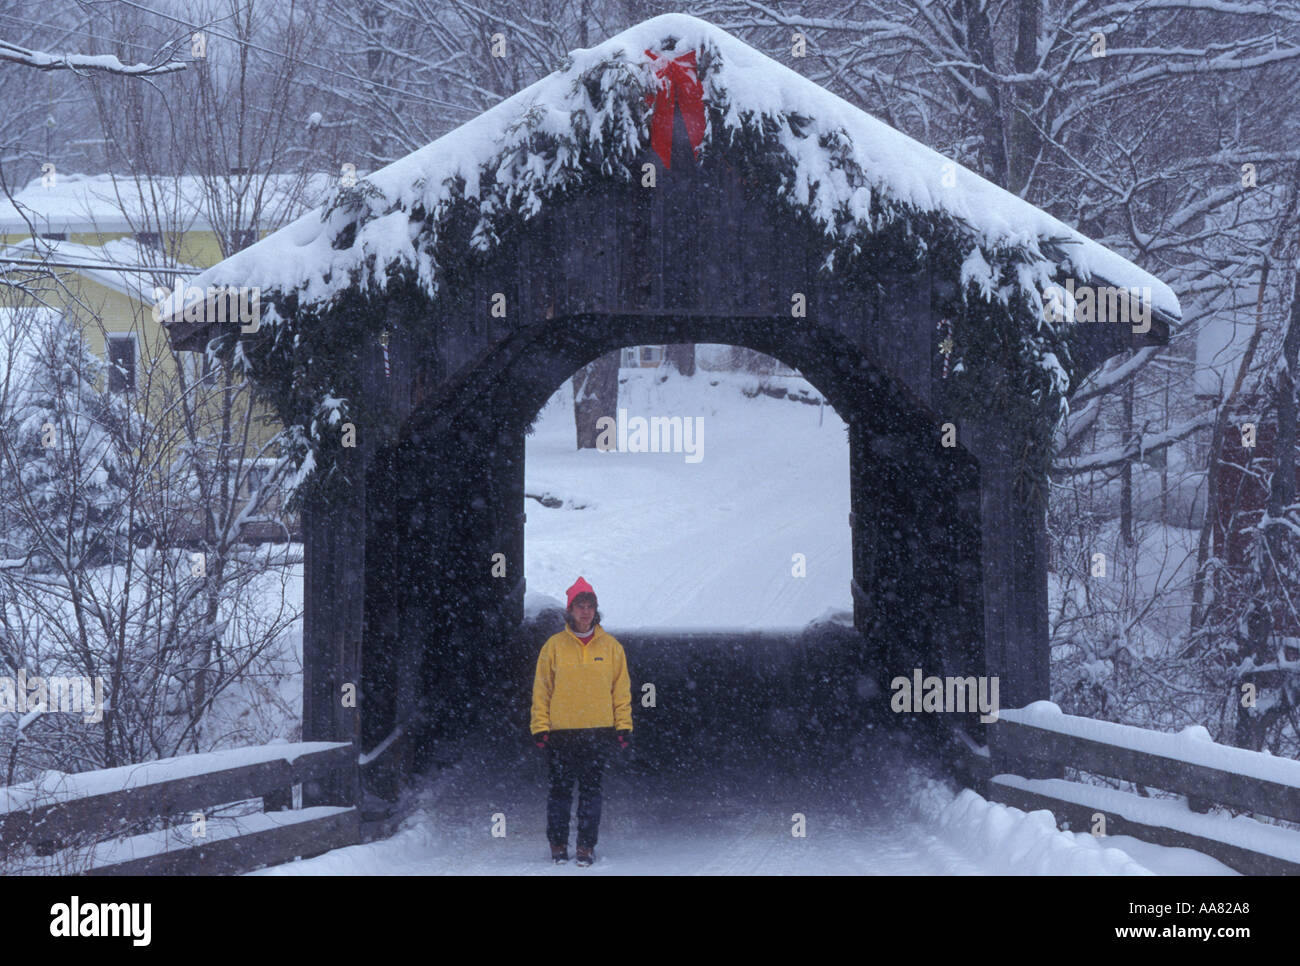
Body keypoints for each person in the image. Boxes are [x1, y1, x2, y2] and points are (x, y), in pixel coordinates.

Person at [531, 576, 633, 866]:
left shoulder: (612, 648)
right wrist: (540, 726)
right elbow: (541, 689)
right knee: (560, 793)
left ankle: (586, 847)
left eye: (590, 606)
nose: (585, 612)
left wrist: (623, 725)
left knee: (591, 793)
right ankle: (558, 845)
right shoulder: (553, 647)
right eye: (580, 606)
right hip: (562, 734)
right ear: (570, 611)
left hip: (598, 732)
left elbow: (621, 691)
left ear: (595, 610)